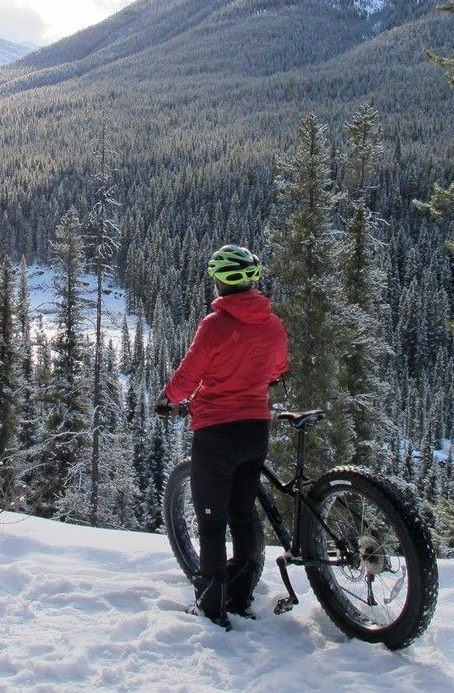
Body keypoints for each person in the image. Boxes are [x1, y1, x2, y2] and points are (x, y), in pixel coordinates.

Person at [157, 244, 289, 629]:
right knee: (243, 512)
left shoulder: (214, 325)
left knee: (211, 519)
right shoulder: (273, 324)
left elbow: (189, 373)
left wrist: (169, 399)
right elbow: (279, 367)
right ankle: (241, 594)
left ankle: (211, 606)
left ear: (220, 282)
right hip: (256, 430)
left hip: (217, 432)